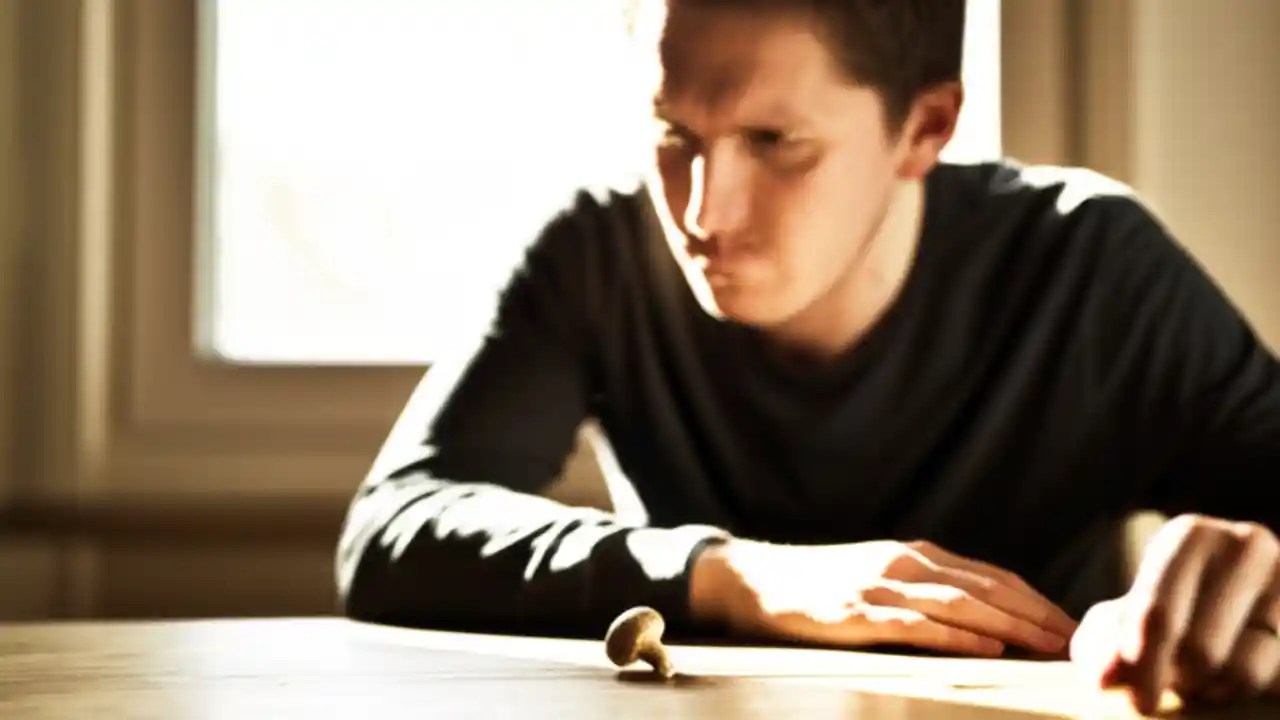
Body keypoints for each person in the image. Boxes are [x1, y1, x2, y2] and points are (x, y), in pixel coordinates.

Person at [336, 0, 1280, 713]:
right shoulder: (597, 254)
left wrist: (1248, 591)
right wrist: (747, 577)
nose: (702, 212)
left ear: (925, 128)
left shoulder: (1089, 264)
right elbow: (395, 530)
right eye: (674, 134)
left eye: (772, 141)